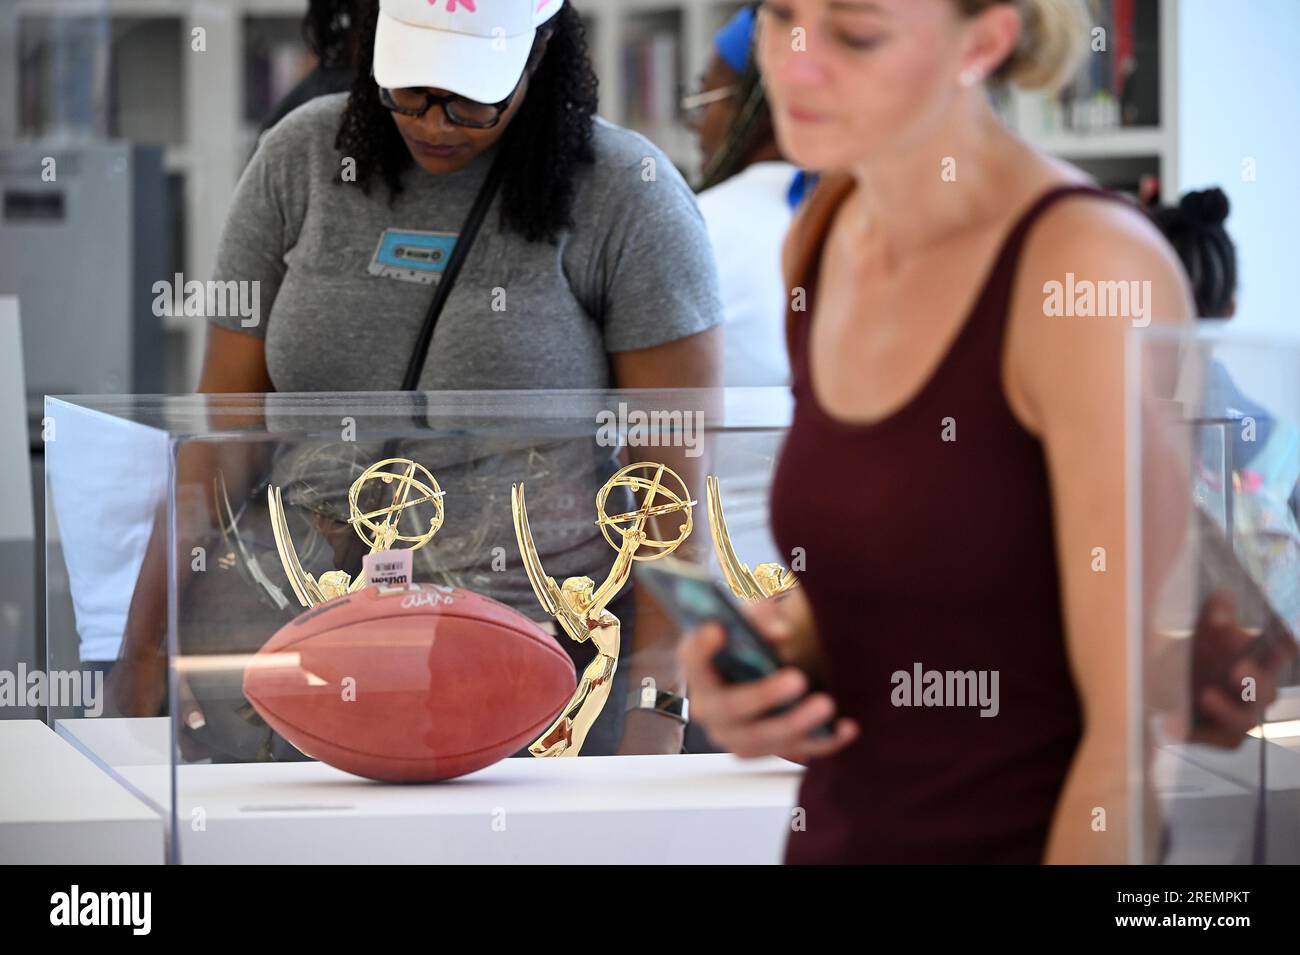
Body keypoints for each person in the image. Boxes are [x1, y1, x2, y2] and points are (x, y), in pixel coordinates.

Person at [679, 0, 1286, 863]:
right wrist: (771, 670)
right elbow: (911, 600)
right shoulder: (826, 231)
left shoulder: (1084, 268)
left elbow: (1126, 749)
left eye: (856, 33)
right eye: (780, 17)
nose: (798, 63)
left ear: (989, 38)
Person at [110, 0, 723, 761]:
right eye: (410, 89)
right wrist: (140, 648)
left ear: (539, 58)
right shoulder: (300, 157)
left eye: (471, 98)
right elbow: (221, 436)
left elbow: (670, 495)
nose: (434, 122)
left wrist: (657, 711)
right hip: (282, 643)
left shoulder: (628, 195)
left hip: (521, 660)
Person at [688, 4, 809, 387]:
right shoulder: (855, 210)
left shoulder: (700, 222)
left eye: (705, 101)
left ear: (756, 106)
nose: (696, 126)